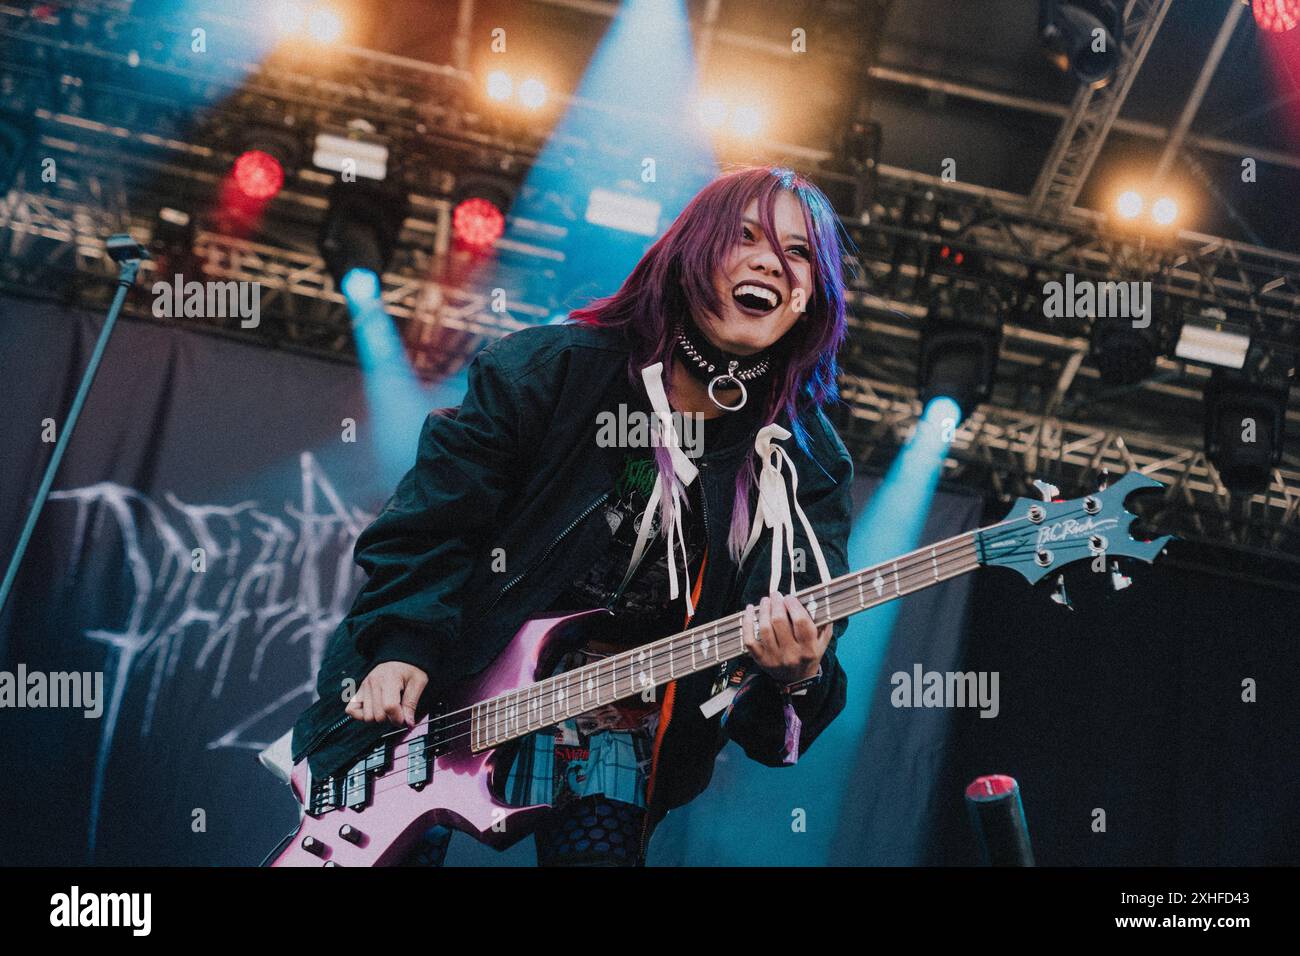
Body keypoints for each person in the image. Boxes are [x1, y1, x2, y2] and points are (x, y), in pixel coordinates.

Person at [288, 164, 858, 866]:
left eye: (798, 252)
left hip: (618, 721)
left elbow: (781, 706)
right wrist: (404, 644)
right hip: (451, 688)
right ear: (691, 256)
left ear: (811, 298)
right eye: (744, 236)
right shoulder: (551, 371)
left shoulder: (806, 464)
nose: (771, 258)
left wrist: (798, 675)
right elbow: (432, 523)